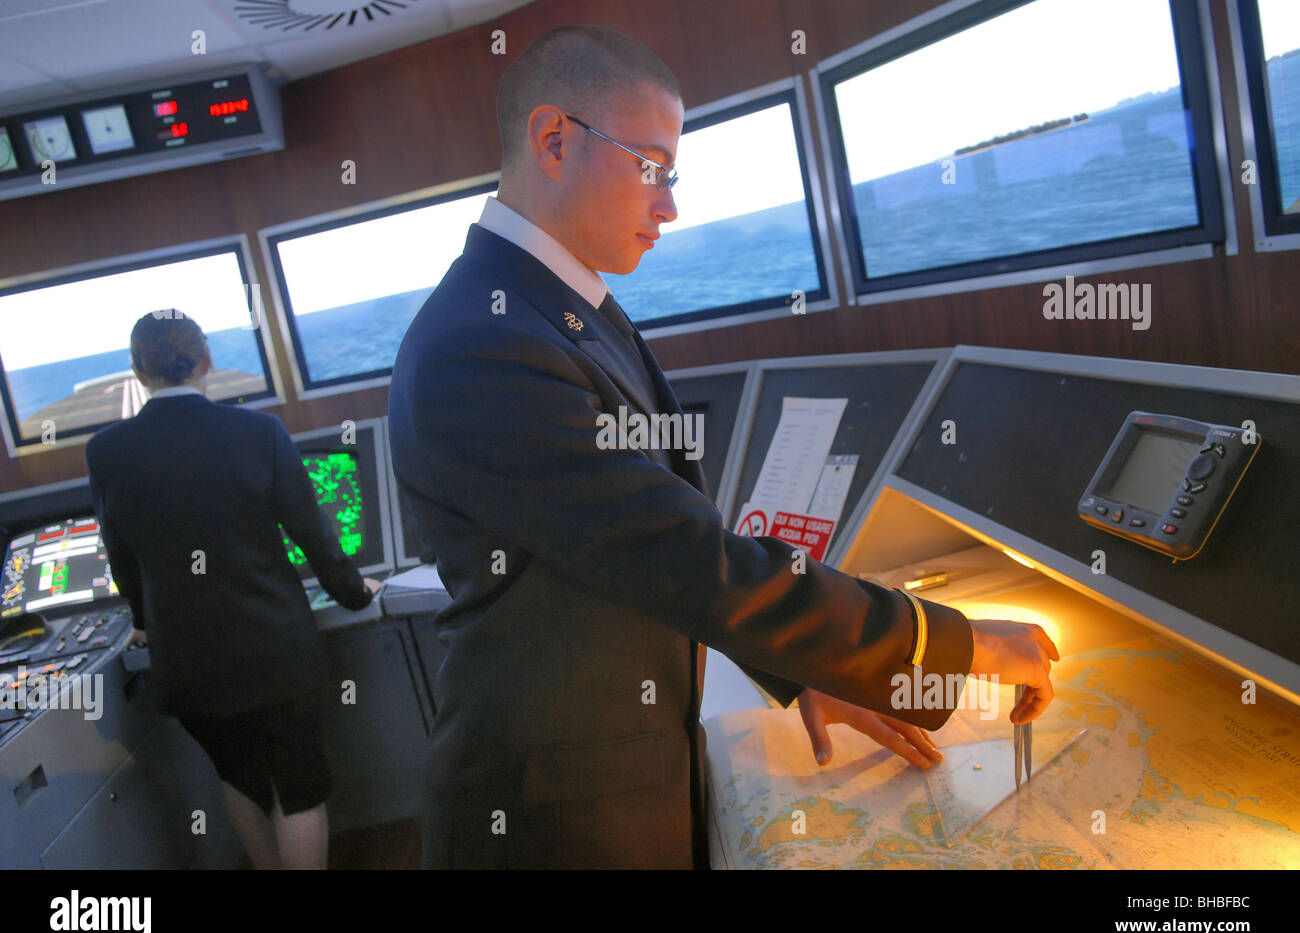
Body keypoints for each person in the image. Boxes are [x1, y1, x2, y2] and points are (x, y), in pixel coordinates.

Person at [387, 25, 1058, 868]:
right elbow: (685, 557)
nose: (669, 204)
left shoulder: (555, 308)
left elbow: (632, 561)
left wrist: (814, 669)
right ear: (554, 139)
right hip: (553, 824)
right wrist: (952, 644)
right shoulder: (480, 342)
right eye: (652, 168)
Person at [85, 310, 383, 869]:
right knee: (297, 791)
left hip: (187, 665)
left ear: (137, 371)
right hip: (273, 651)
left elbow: (121, 553)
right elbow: (312, 534)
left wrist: (144, 622)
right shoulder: (257, 432)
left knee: (240, 781)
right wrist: (354, 592)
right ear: (206, 361)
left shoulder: (107, 452)